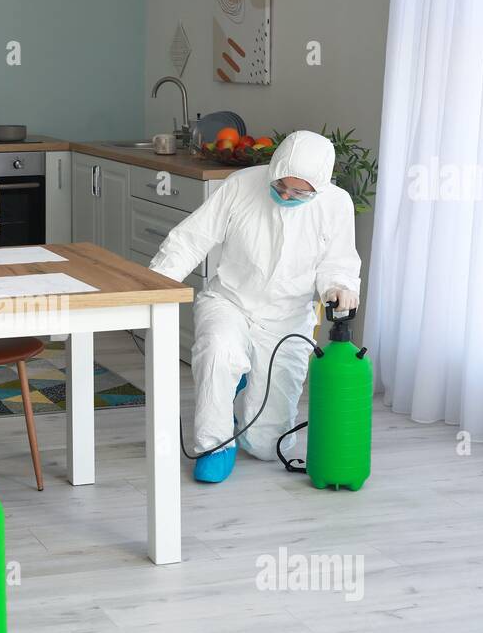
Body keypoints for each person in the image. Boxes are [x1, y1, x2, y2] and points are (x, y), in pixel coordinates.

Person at [149, 130, 361, 483]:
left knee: (268, 446)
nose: (287, 196)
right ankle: (215, 445)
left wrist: (340, 287)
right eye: (281, 186)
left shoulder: (336, 204)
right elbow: (192, 238)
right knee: (218, 353)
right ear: (274, 170)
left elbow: (337, 263)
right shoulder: (240, 185)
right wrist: (157, 284)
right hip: (230, 301)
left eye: (299, 192)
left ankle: (242, 385)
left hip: (288, 317)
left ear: (319, 188)